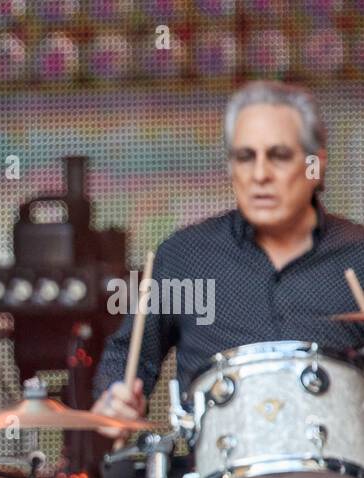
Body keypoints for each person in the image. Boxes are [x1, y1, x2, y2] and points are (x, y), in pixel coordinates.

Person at [93, 80, 364, 457]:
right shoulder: (185, 258)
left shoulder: (359, 255)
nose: (260, 175)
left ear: (316, 164)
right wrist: (115, 396)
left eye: (279, 155)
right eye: (245, 156)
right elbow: (128, 357)